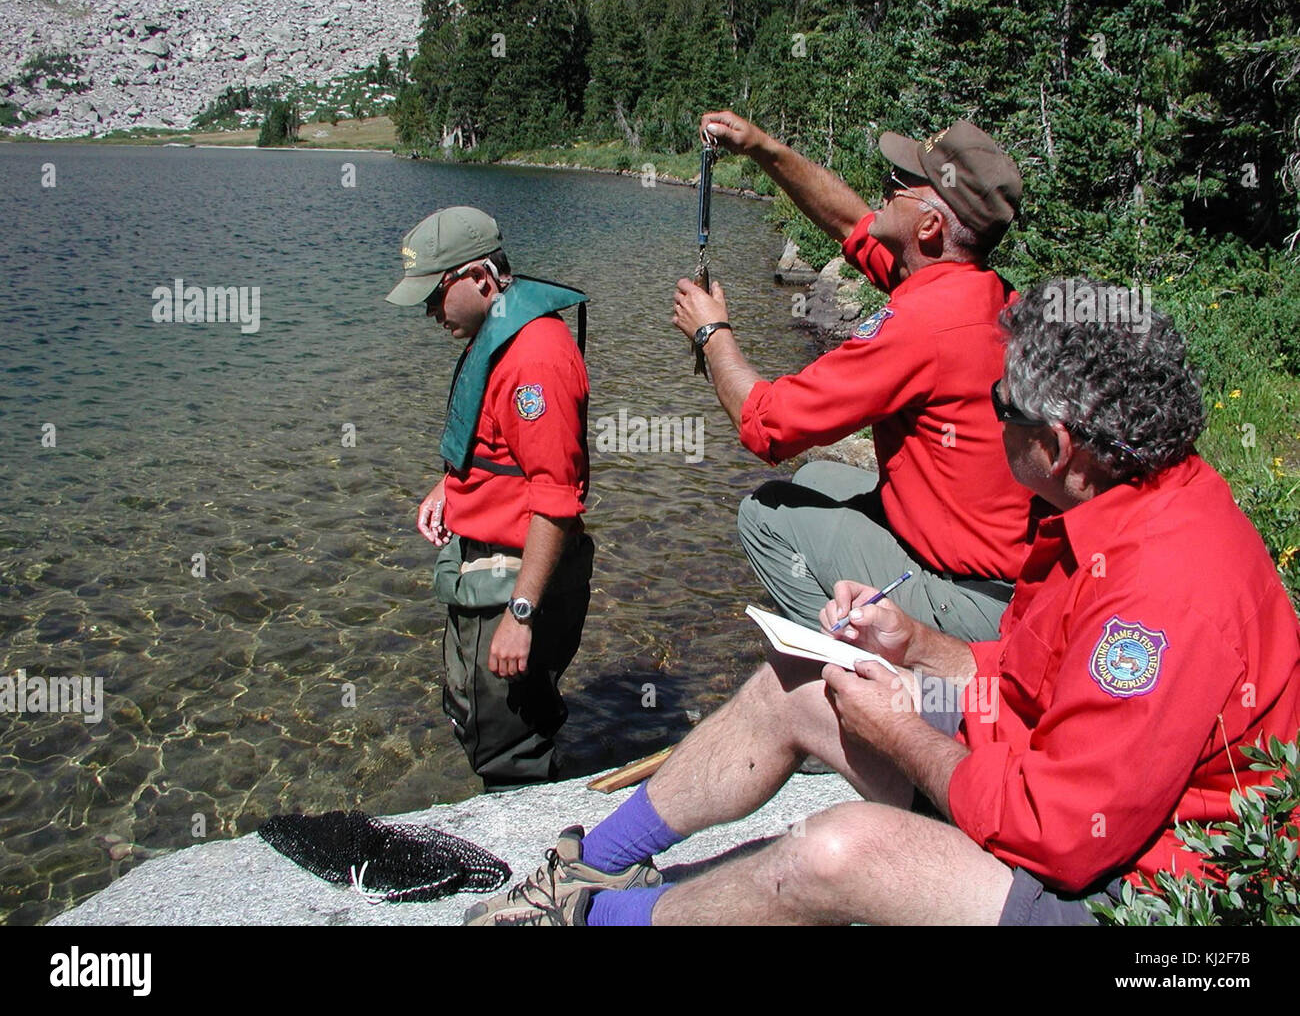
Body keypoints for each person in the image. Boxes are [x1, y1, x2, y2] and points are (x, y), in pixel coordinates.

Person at [465, 278, 1300, 925]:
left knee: (838, 851)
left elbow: (1062, 838)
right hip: (1048, 786)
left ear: (1058, 444)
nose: (988, 415)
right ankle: (587, 861)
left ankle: (595, 917)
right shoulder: (1103, 505)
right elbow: (1026, 678)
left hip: (1142, 906)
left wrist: (897, 729)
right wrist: (914, 645)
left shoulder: (1162, 592)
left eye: (1001, 404)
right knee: (800, 672)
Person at [674, 112, 1034, 639]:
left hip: (970, 600)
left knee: (764, 513)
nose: (883, 191)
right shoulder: (977, 289)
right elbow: (851, 225)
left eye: (898, 186)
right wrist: (760, 147)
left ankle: (852, 667)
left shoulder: (922, 326)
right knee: (813, 478)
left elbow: (767, 426)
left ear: (930, 226)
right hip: (996, 569)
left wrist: (712, 334)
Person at [386, 206, 594, 791]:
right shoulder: (499, 331)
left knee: (502, 743)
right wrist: (450, 486)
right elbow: (500, 448)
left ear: (480, 278)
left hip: (513, 579)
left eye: (434, 295)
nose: (429, 312)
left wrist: (520, 616)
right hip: (496, 565)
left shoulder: (535, 361)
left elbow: (556, 498)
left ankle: (529, 854)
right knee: (503, 712)